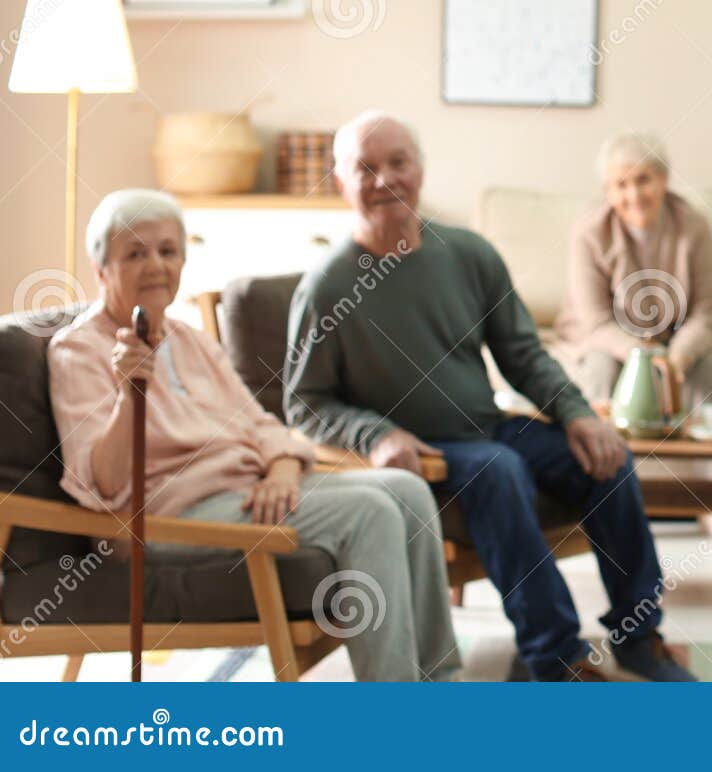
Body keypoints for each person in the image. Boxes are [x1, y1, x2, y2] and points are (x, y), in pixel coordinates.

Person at [283, 111, 696, 682]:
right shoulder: (327, 286)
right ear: (340, 182)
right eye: (365, 168)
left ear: (420, 170)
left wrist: (577, 414)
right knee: (499, 471)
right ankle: (556, 656)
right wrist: (376, 434)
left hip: (488, 425)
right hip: (423, 452)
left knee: (610, 460)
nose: (384, 180)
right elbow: (304, 402)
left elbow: (522, 355)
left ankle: (639, 634)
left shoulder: (468, 253)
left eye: (397, 163)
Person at [48, 188, 460, 682]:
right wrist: (129, 394)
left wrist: (283, 470)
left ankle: (442, 682)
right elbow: (103, 485)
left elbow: (262, 425)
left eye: (167, 250)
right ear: (101, 270)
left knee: (408, 491)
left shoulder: (189, 339)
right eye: (135, 252)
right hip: (169, 517)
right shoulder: (77, 350)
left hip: (246, 494)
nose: (155, 265)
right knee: (369, 513)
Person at [554, 132, 712, 410]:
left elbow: (707, 312)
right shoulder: (588, 233)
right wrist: (641, 356)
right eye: (621, 185)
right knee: (602, 368)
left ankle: (710, 453)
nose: (634, 195)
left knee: (709, 367)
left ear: (664, 180)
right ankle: (600, 451)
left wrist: (678, 356)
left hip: (676, 339)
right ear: (608, 192)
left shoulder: (694, 226)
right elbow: (596, 322)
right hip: (605, 340)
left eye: (643, 180)